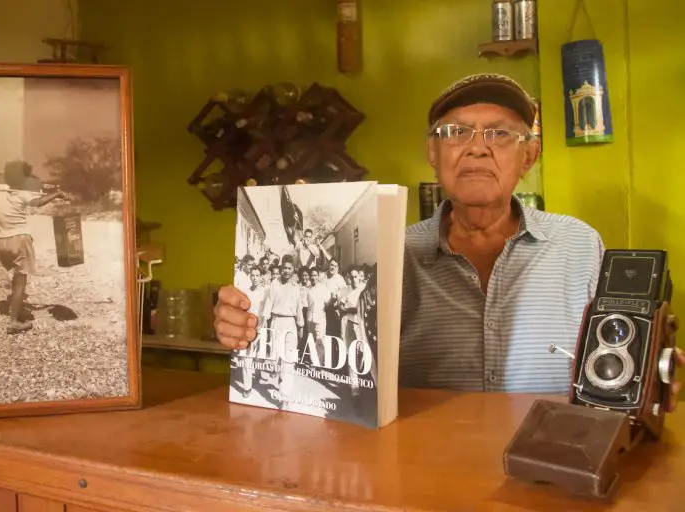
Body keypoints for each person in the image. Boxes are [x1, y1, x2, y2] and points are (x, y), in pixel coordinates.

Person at [212, 73, 684, 411]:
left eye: (500, 133)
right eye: (456, 132)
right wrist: (248, 327)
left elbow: (616, 353)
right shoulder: (388, 253)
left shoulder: (580, 245)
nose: (477, 147)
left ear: (529, 156)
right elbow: (316, 363)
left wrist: (647, 367)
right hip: (417, 470)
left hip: (553, 466)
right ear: (433, 154)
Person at [0, 160, 66, 335]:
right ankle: (13, 321)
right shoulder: (23, 194)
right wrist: (57, 193)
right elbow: (38, 202)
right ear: (24, 179)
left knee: (16, 277)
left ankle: (17, 308)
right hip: (20, 240)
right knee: (20, 281)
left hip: (2, 242)